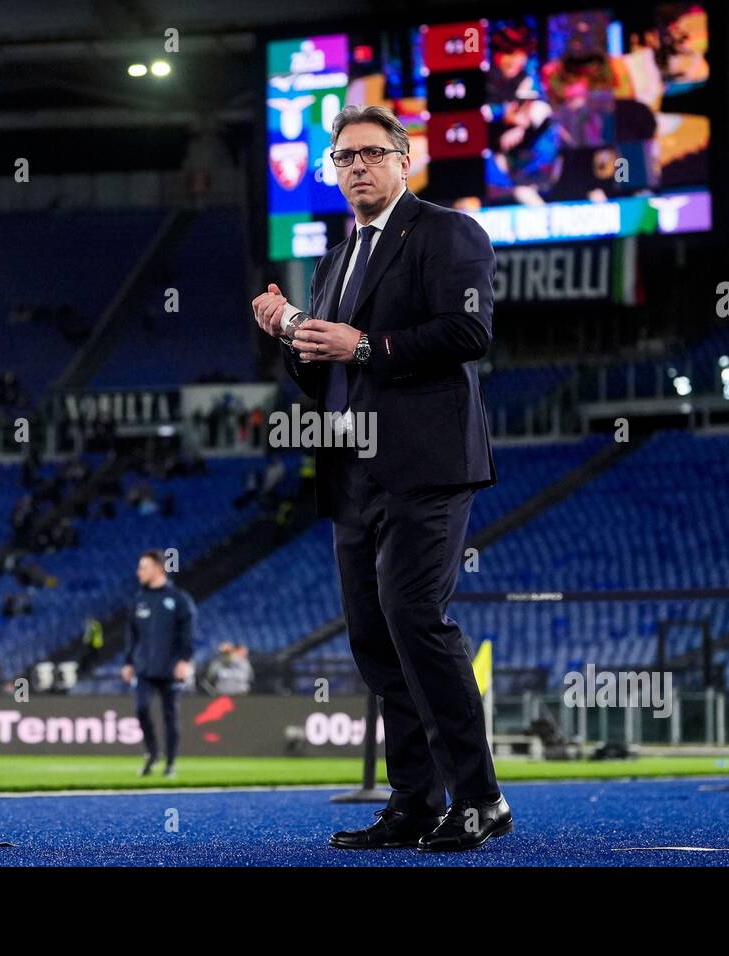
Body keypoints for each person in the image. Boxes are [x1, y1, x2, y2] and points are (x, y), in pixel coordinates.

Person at [250, 105, 510, 852]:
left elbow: (469, 332)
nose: (355, 167)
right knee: (373, 636)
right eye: (343, 158)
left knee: (413, 617)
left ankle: (480, 798)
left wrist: (364, 346)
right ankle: (413, 801)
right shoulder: (335, 260)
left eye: (370, 154)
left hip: (425, 463)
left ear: (404, 160)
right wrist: (291, 333)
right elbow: (321, 374)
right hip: (350, 465)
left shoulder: (448, 232)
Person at [121, 549, 195, 779]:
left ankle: (170, 763)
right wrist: (128, 661)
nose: (138, 572)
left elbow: (187, 632)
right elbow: (131, 634)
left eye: (143, 567)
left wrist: (184, 660)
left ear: (158, 568)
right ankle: (153, 753)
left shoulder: (179, 599)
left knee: (170, 715)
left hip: (170, 667)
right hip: (144, 668)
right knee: (141, 708)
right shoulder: (139, 600)